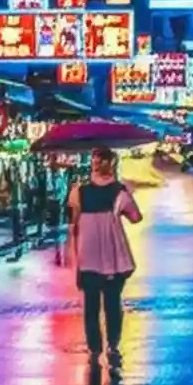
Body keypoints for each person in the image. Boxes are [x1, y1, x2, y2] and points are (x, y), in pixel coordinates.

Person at [68, 146, 143, 372]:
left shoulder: (78, 192)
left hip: (88, 256)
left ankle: (95, 348)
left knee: (92, 305)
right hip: (113, 258)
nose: (96, 163)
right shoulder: (119, 192)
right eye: (95, 159)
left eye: (98, 159)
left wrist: (74, 254)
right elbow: (136, 217)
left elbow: (74, 224)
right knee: (112, 303)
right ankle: (112, 344)